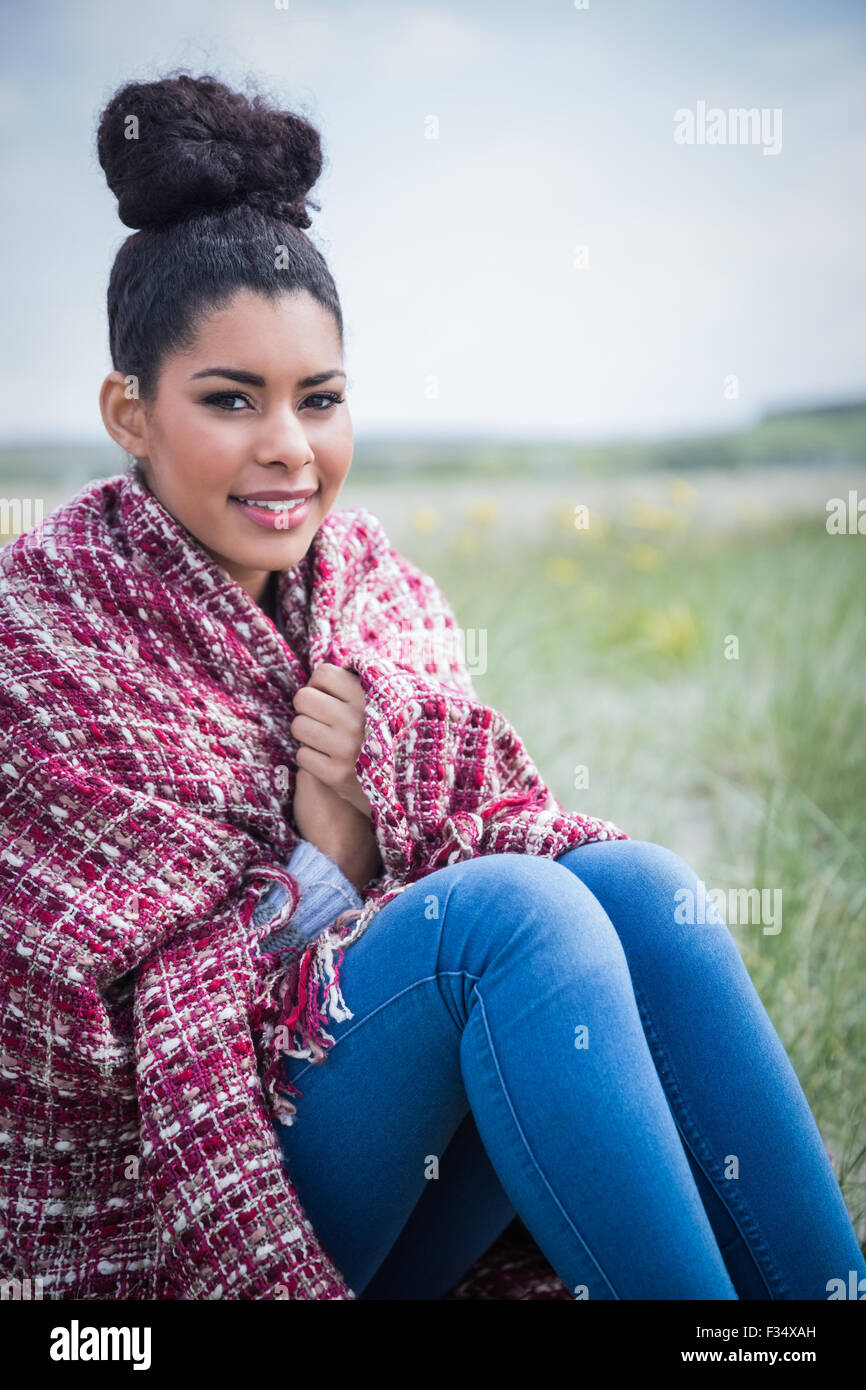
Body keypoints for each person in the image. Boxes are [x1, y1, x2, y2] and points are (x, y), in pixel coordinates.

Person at [1, 70, 862, 1303]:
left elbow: (476, 832)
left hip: (387, 1143)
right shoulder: (42, 631)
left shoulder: (371, 590)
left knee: (633, 888)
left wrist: (364, 844)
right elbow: (96, 1046)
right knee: (517, 919)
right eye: (229, 400)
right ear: (127, 414)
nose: (287, 445)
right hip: (163, 1210)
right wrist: (330, 871)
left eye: (320, 397)